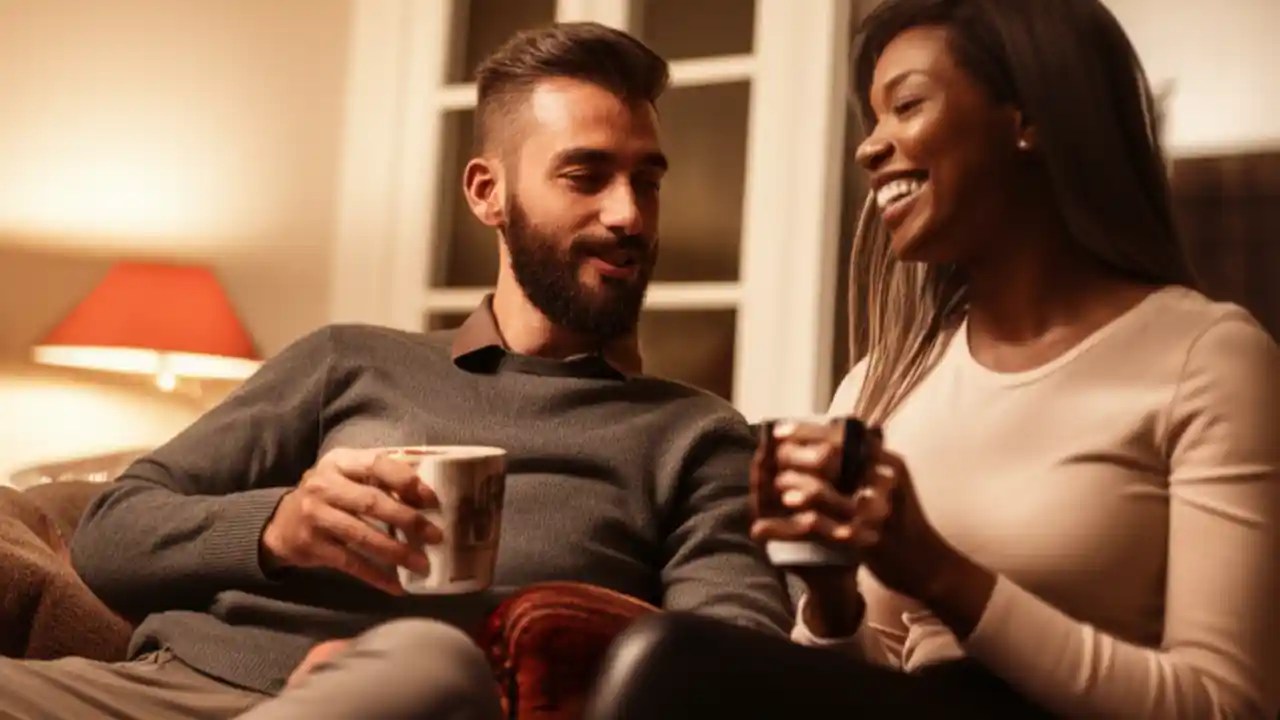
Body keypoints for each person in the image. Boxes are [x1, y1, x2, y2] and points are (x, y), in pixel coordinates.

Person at [0, 22, 792, 720]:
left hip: (426, 699)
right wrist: (276, 527)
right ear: (488, 193)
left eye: (646, 182)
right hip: (162, 691)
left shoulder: (696, 436)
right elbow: (110, 534)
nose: (628, 215)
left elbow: (721, 660)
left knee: (426, 661)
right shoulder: (349, 359)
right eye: (586, 177)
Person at [584, 0, 1280, 718]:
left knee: (668, 664)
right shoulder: (881, 385)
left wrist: (942, 573)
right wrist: (830, 595)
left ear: (1028, 117)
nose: (869, 146)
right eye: (872, 119)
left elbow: (1227, 705)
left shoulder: (1208, 359)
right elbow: (863, 683)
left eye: (906, 105)